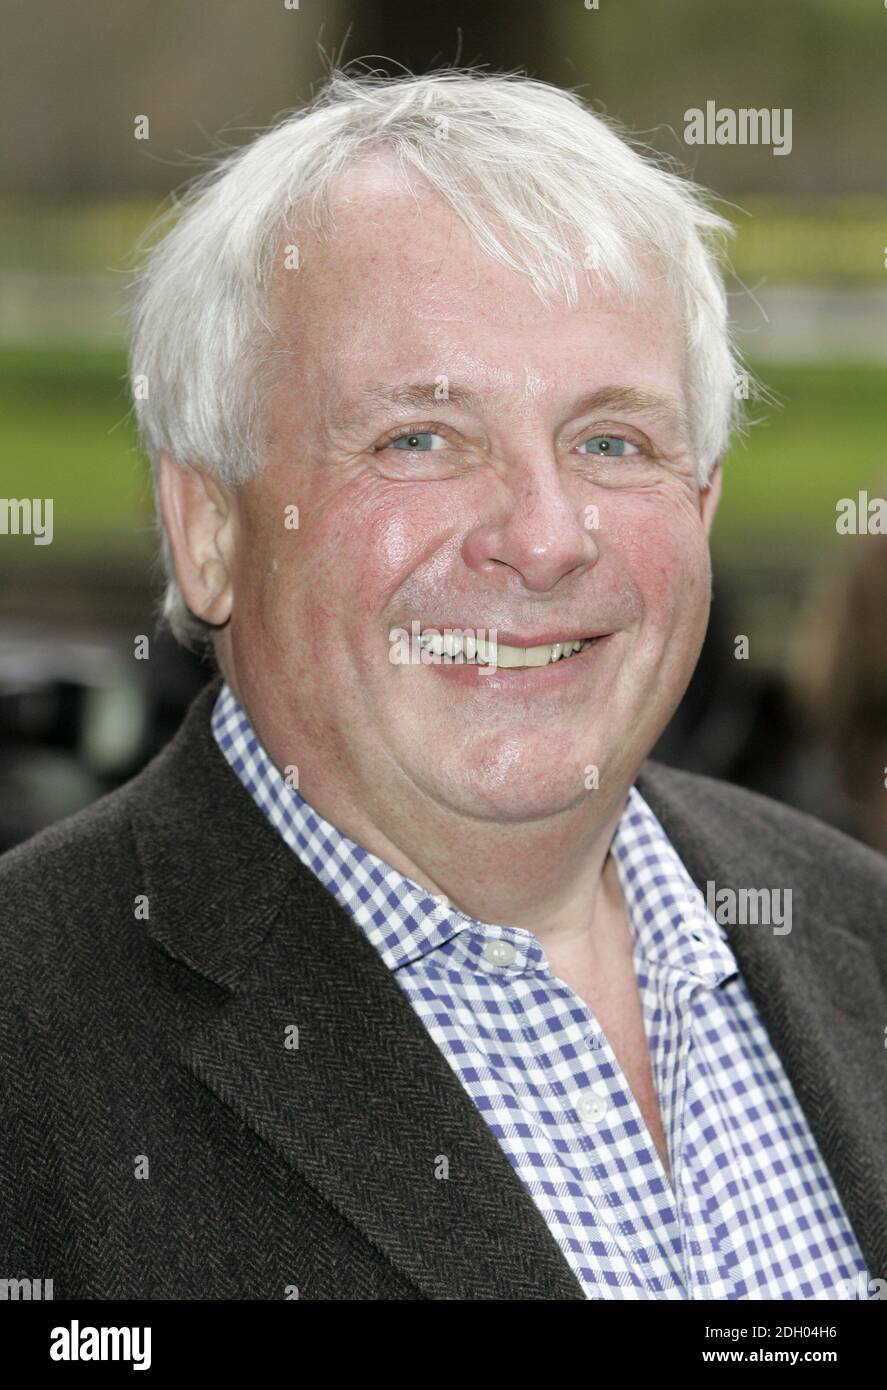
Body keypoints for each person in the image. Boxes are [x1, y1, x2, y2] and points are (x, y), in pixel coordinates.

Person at [1, 67, 885, 1301]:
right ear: (207, 525)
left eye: (610, 440)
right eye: (419, 437)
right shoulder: (27, 1053)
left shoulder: (856, 925)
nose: (542, 534)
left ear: (703, 502)